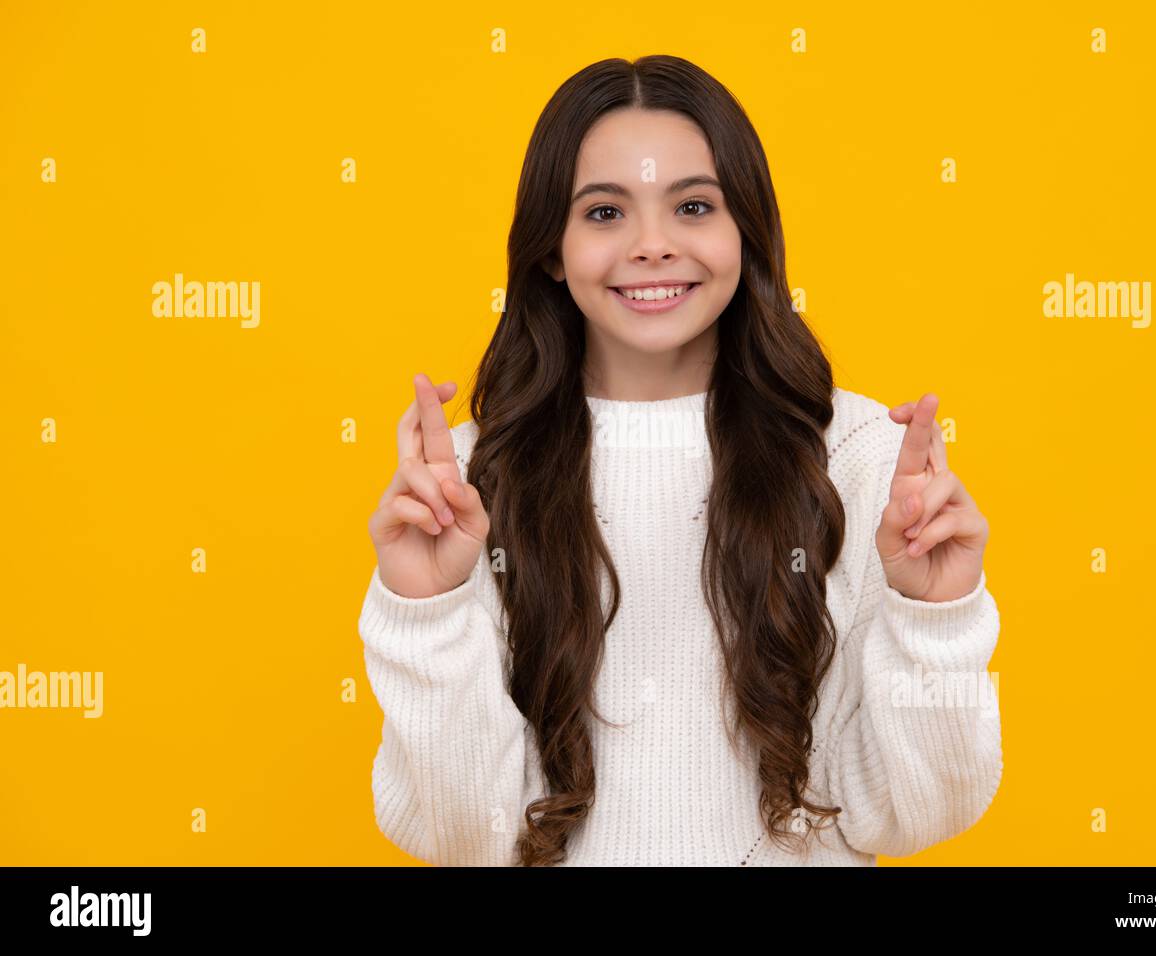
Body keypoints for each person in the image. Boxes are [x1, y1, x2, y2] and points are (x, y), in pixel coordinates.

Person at [358, 55, 1002, 866]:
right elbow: (463, 837)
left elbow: (913, 816)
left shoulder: (858, 459)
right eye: (604, 213)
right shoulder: (465, 486)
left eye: (693, 206)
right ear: (550, 250)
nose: (653, 246)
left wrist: (934, 619)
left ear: (746, 232)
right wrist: (427, 611)